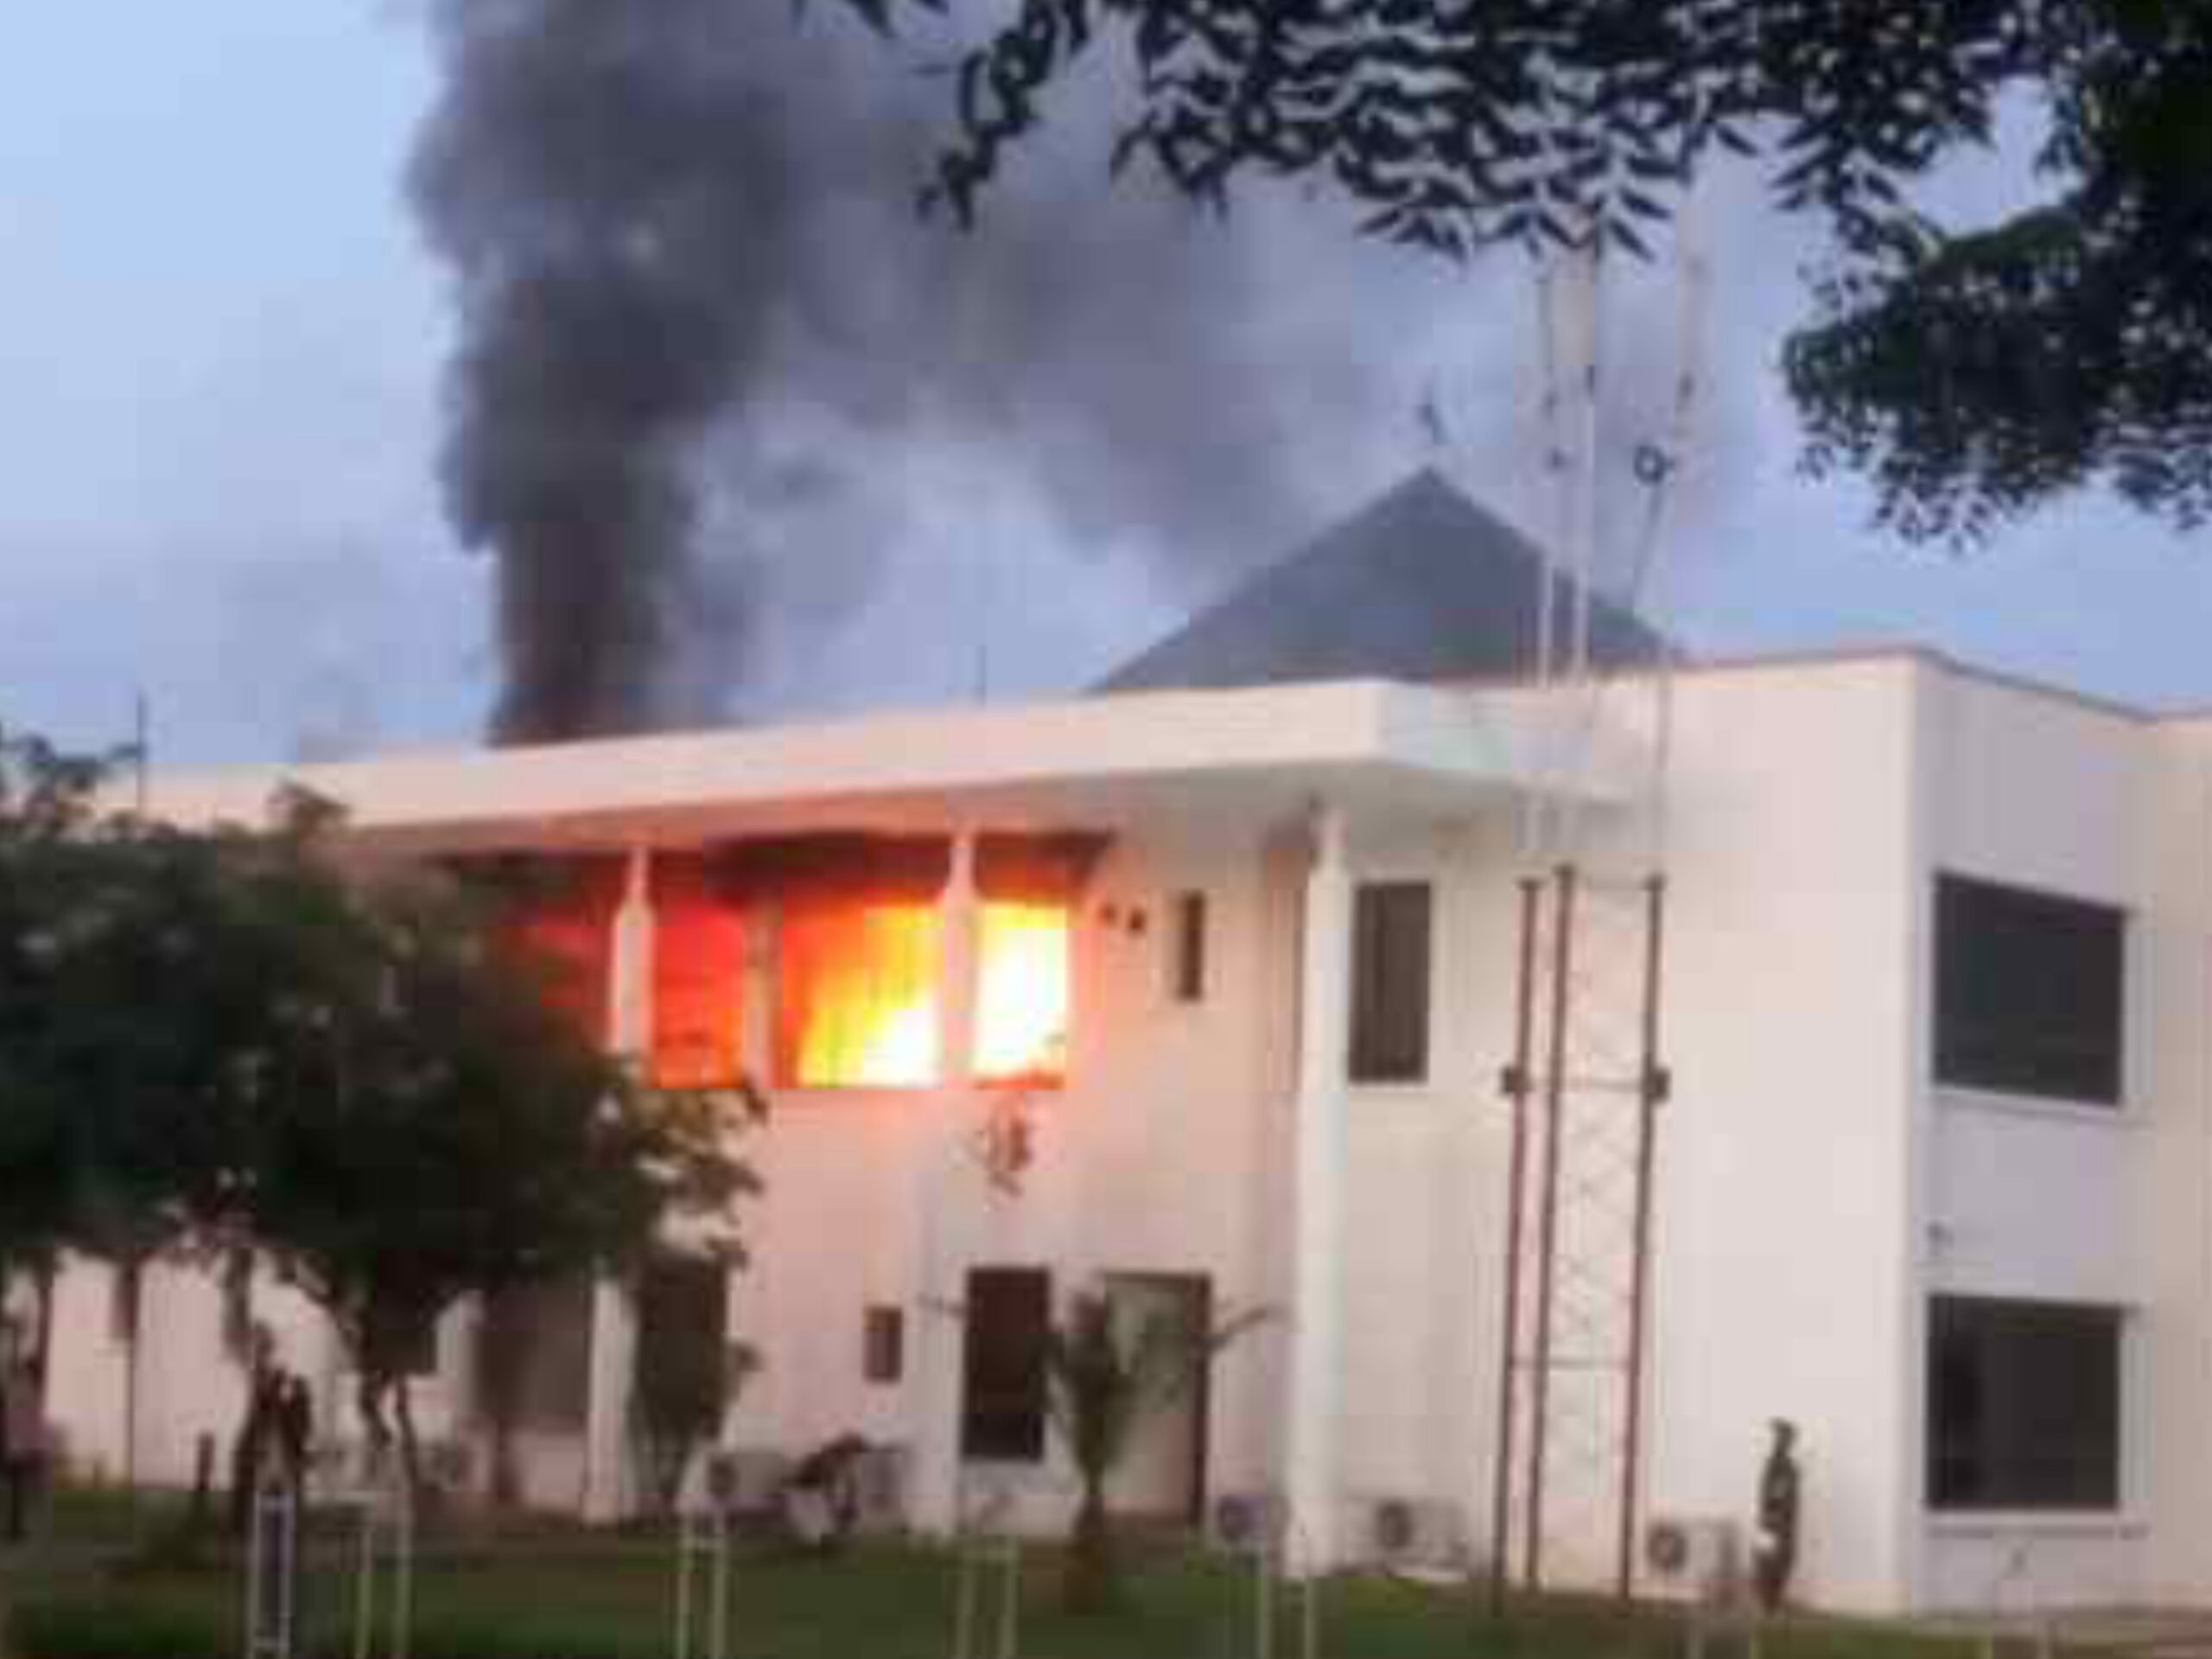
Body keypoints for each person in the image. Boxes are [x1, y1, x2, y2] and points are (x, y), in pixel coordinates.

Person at [1752, 1419, 1802, 1614]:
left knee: (1779, 1560)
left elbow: (1782, 1494)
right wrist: (1774, 1517)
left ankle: (1771, 1602)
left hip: (1780, 1524)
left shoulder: (1786, 1465)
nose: (1783, 1442)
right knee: (1770, 1561)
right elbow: (1775, 1494)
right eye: (1780, 1438)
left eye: (1786, 1439)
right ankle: (1769, 1603)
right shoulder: (1779, 1464)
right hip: (1773, 1524)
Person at [2, 1351, 47, 1542]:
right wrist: (36, 1448)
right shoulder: (30, 1393)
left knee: (15, 1492)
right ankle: (15, 1529)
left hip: (10, 1446)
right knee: (17, 1492)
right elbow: (31, 1423)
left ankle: (15, 1528)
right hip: (18, 1449)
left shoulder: (12, 1389)